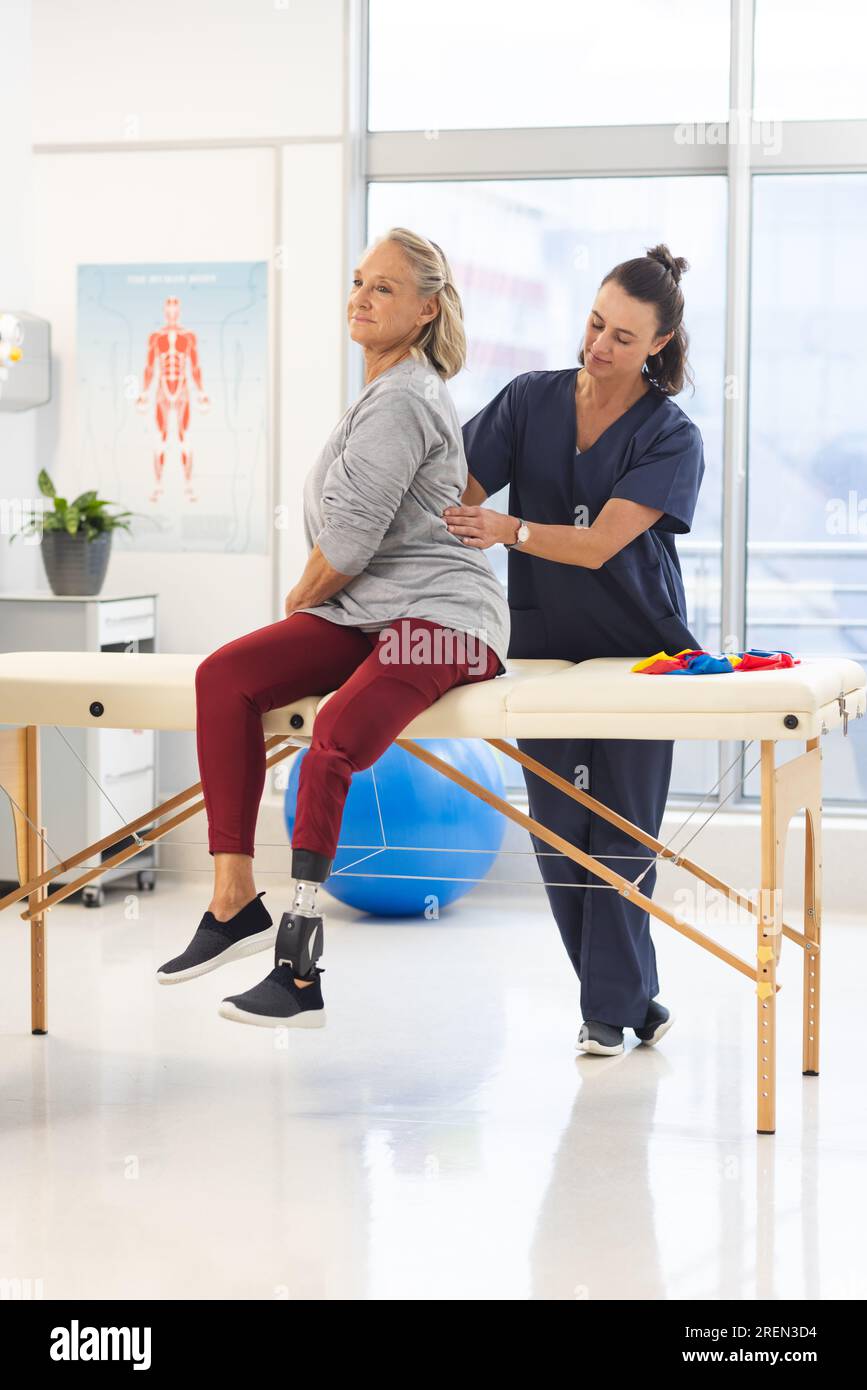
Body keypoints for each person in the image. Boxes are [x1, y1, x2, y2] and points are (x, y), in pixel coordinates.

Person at [156, 227, 510, 1029]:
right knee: (227, 677)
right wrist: (309, 621)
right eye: (358, 281)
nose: (361, 296)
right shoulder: (382, 392)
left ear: (424, 311)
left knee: (338, 729)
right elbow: (356, 553)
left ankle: (299, 971)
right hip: (371, 608)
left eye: (383, 288)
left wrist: (298, 606)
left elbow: (345, 545)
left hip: (446, 619)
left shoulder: (407, 397)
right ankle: (232, 900)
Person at [447, 244, 705, 1057]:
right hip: (545, 648)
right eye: (595, 324)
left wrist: (510, 531)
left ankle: (605, 1013)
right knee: (559, 831)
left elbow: (598, 547)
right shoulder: (528, 402)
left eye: (624, 338)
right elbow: (456, 489)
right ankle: (631, 1000)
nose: (599, 345)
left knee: (621, 834)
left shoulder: (671, 436)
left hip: (637, 653)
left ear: (658, 345)